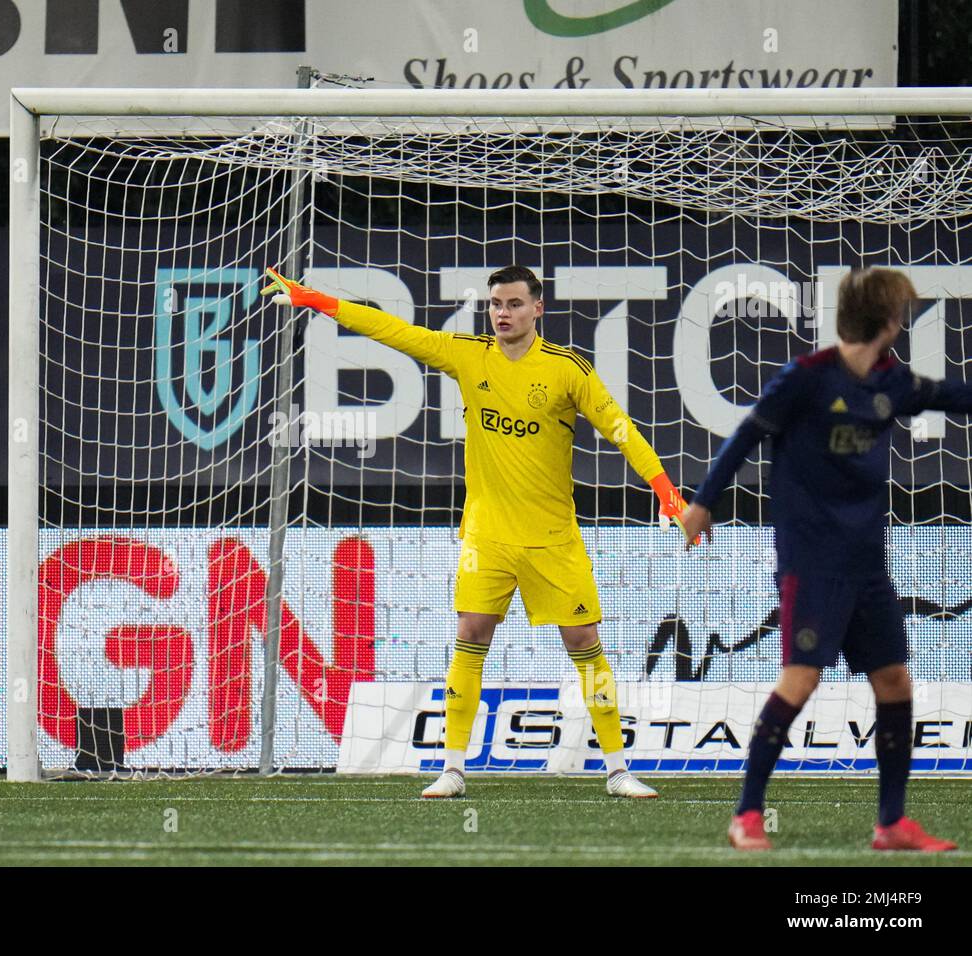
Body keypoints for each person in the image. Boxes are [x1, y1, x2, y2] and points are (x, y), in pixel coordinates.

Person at [264, 265, 688, 799]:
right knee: (470, 636)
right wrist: (318, 301)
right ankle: (453, 768)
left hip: (554, 537)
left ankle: (618, 768)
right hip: (486, 534)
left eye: (514, 303)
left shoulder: (567, 370)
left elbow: (622, 429)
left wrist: (666, 491)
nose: (503, 313)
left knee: (584, 642)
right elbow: (395, 331)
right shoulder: (470, 356)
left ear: (538, 309)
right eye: (495, 304)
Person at [681, 266, 959, 852]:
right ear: (888, 320)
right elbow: (744, 438)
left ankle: (891, 824)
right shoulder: (805, 379)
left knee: (894, 680)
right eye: (901, 311)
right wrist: (703, 503)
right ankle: (747, 815)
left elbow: (949, 395)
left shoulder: (890, 379)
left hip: (866, 563)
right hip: (811, 560)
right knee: (801, 678)